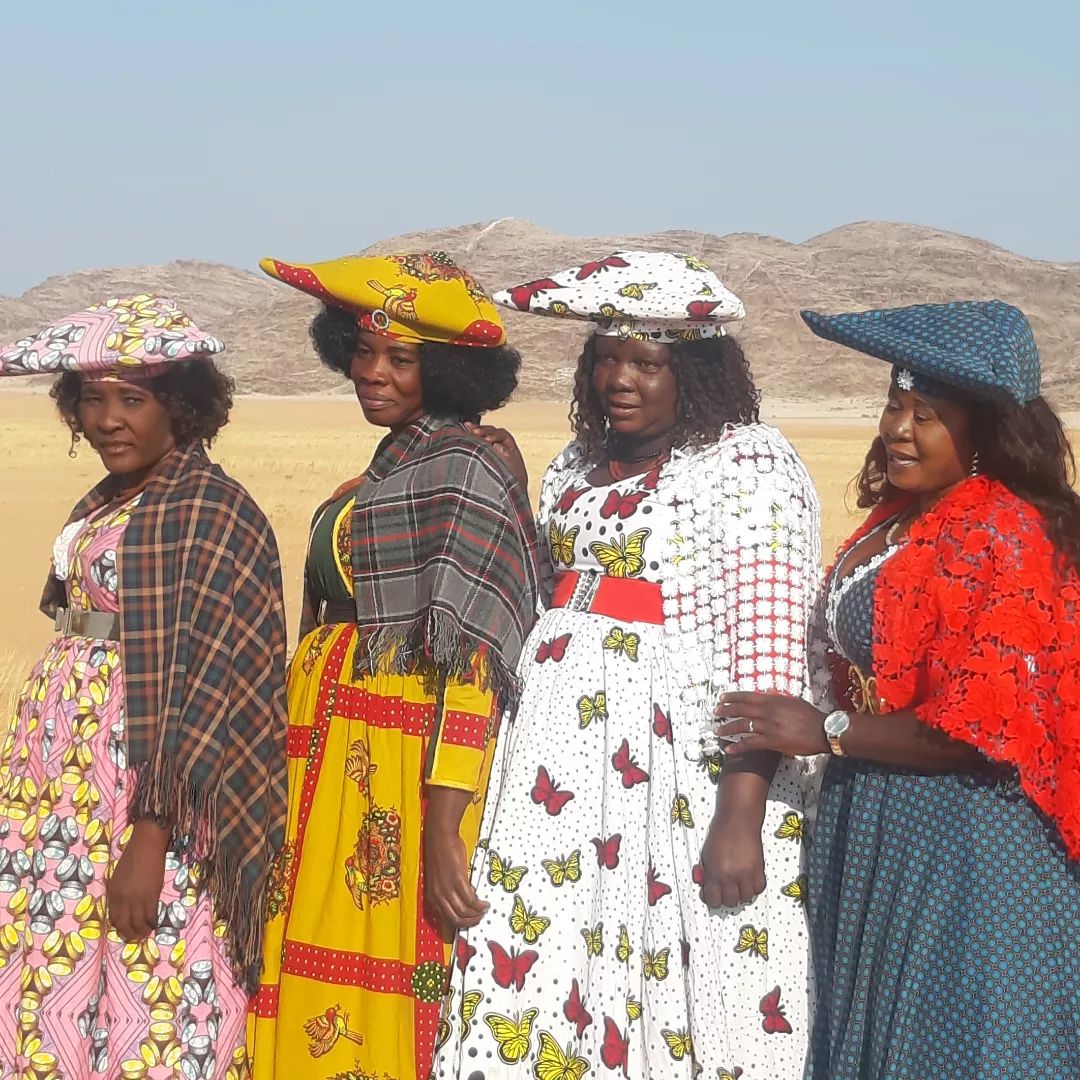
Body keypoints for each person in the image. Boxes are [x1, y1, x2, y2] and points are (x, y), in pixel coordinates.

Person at [433, 251, 821, 1080]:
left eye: (648, 362)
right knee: (548, 951)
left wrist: (740, 816)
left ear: (697, 370)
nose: (621, 379)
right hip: (558, 770)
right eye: (605, 357)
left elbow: (768, 649)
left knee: (696, 967)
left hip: (682, 771)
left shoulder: (747, 464)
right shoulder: (574, 464)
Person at [715, 301, 1080, 1078]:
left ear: (985, 432)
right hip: (876, 823)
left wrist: (826, 731)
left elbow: (977, 728)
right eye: (894, 405)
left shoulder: (1002, 535)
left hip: (970, 847)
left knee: (960, 1041)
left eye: (930, 415)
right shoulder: (901, 520)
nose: (899, 429)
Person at [247, 252, 541, 1080]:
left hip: (398, 767)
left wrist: (444, 828)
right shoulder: (372, 475)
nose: (371, 373)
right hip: (323, 751)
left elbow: (474, 660)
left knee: (383, 962)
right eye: (362, 351)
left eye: (401, 358)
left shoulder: (469, 469)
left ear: (447, 371)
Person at [0, 295, 288, 1080]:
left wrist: (152, 835)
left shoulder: (210, 510)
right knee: (56, 941)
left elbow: (209, 682)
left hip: (148, 783)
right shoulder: (108, 501)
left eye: (132, 398)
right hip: (64, 782)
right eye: (91, 398)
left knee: (148, 953)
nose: (107, 419)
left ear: (181, 407)